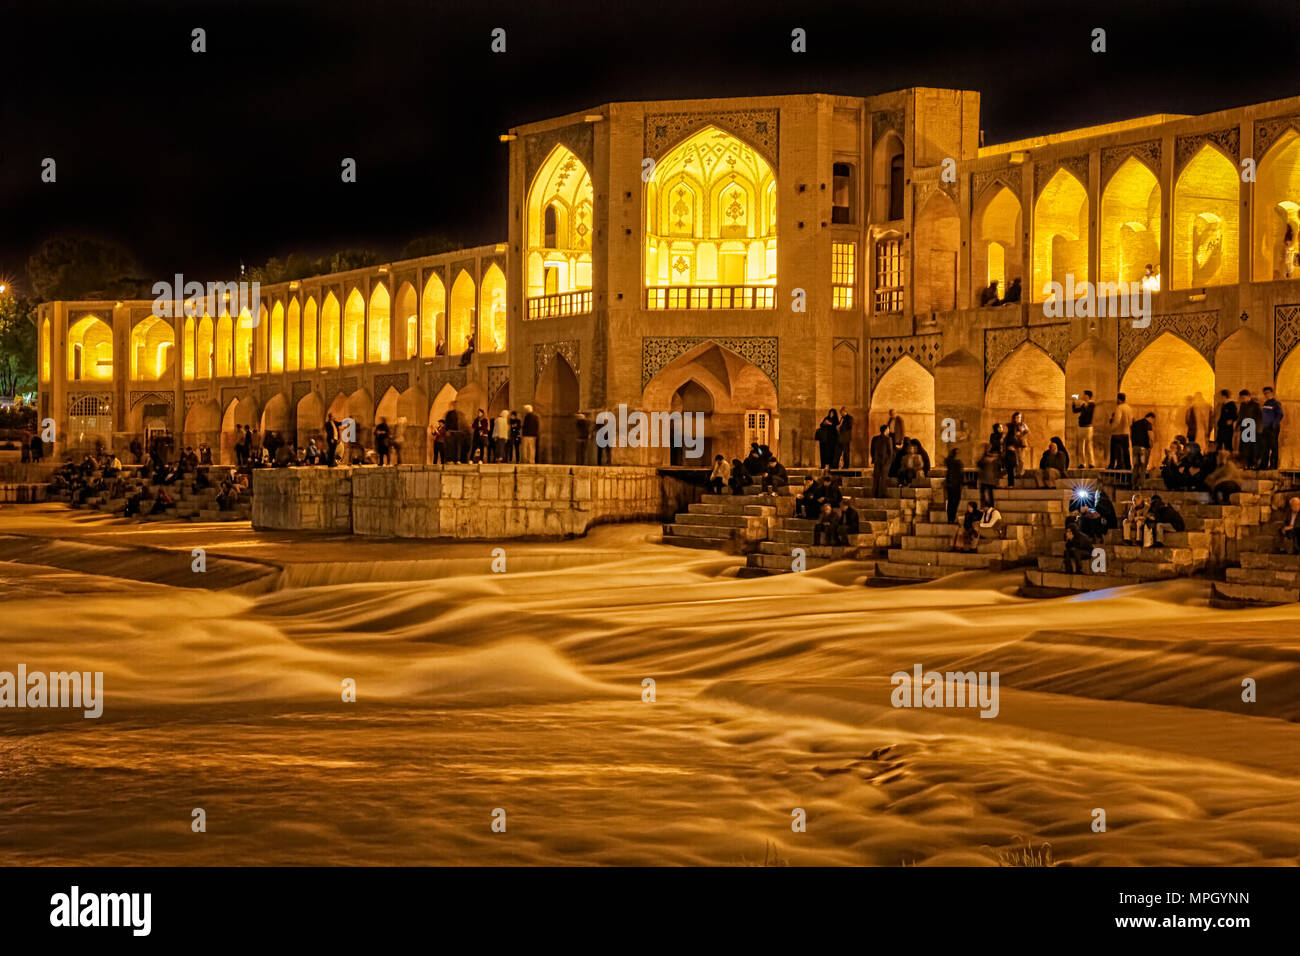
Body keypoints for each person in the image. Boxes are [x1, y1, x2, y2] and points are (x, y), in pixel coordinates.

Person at [1237, 389, 1262, 469]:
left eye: (1244, 397)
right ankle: (1246, 464)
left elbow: (1259, 417)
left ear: (1248, 396)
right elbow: (1240, 416)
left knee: (1253, 447)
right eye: (1241, 398)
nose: (1242, 399)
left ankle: (1253, 464)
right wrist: (1237, 426)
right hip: (1244, 428)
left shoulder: (1255, 405)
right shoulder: (1242, 405)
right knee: (1245, 448)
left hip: (1252, 428)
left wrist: (1258, 429)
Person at [1072, 390, 1096, 469]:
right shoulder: (1084, 405)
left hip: (1088, 427)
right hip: (1081, 426)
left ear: (1087, 396)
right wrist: (1074, 402)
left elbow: (1087, 412)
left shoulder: (1092, 404)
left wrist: (1083, 405)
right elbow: (1075, 411)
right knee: (1081, 446)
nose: (1082, 396)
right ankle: (1082, 463)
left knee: (1089, 446)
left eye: (1084, 395)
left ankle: (1091, 463)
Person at [1108, 393, 1133, 469]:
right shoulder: (1129, 408)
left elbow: (1117, 420)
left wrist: (1112, 428)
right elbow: (1131, 421)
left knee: (1114, 451)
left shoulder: (1119, 408)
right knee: (1126, 450)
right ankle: (1128, 466)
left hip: (1117, 433)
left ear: (1119, 399)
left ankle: (1112, 465)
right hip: (1126, 433)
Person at [1130, 411, 1155, 486]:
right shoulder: (1148, 424)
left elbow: (1131, 435)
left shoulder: (1135, 424)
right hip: (1143, 449)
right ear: (1151, 418)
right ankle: (1141, 485)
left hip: (1135, 447)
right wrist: (1151, 446)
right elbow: (1150, 437)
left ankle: (1133, 484)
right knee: (1143, 467)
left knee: (1135, 467)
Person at [1262, 386, 1283, 470]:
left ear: (1272, 393)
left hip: (1273, 428)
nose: (1266, 395)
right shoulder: (1265, 403)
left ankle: (1273, 465)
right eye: (1265, 393)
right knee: (1265, 447)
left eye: (1267, 393)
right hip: (1265, 428)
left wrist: (1274, 425)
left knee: (1273, 447)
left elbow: (1280, 415)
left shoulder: (1276, 403)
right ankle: (1265, 465)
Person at [1004, 412, 1028, 485]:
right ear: (1014, 418)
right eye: (1017, 417)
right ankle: (1013, 473)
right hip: (1013, 445)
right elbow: (1007, 435)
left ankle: (1019, 473)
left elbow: (1026, 432)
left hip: (1020, 445)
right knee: (1014, 460)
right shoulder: (1010, 426)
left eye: (1020, 417)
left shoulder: (1023, 425)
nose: (1018, 419)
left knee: (1020, 459)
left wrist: (1021, 431)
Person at [870, 425, 893, 499]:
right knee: (883, 477)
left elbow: (872, 450)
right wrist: (889, 461)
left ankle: (875, 493)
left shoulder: (875, 438)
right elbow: (890, 452)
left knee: (876, 477)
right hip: (885, 461)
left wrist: (873, 459)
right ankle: (882, 493)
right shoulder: (888, 439)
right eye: (888, 429)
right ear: (886, 430)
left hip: (877, 461)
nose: (889, 430)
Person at [977, 443, 1002, 509]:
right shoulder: (995, 459)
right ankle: (990, 506)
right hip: (990, 479)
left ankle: (985, 506)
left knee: (984, 493)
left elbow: (979, 464)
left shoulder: (984, 458)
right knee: (989, 494)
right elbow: (998, 468)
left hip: (984, 479)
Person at [943, 447, 965, 523]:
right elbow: (960, 475)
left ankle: (950, 518)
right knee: (954, 502)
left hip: (951, 485)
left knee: (951, 502)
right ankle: (951, 518)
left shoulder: (950, 462)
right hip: (955, 485)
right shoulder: (957, 463)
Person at [1214, 389, 1237, 454]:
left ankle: (1230, 460)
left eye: (1220, 396)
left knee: (1228, 445)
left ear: (1224, 396)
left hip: (1227, 429)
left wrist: (1230, 421)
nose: (1219, 398)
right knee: (1219, 444)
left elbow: (1235, 416)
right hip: (1221, 428)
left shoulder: (1231, 404)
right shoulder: (1221, 405)